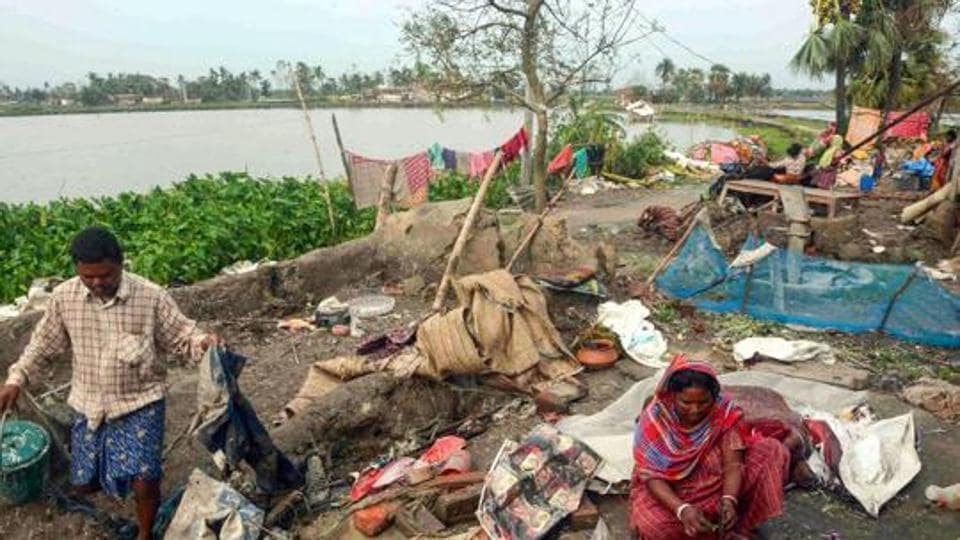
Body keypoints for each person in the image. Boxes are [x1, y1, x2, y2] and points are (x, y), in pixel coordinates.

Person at [0, 227, 224, 540]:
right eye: (88, 277)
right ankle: (110, 496)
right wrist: (16, 380)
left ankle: (145, 533)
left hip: (140, 401)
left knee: (144, 479)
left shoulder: (150, 297)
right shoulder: (65, 298)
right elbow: (42, 346)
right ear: (77, 271)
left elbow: (183, 336)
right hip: (89, 402)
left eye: (105, 275)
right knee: (84, 483)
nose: (97, 283)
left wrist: (204, 344)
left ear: (120, 263)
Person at [630, 355, 789, 539]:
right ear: (673, 396)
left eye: (704, 402)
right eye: (686, 402)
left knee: (771, 450)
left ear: (714, 396)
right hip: (669, 491)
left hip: (715, 486)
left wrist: (729, 499)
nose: (695, 410)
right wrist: (682, 509)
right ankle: (713, 530)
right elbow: (651, 475)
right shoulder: (656, 419)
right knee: (653, 526)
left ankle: (738, 525)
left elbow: (733, 465)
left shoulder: (724, 413)